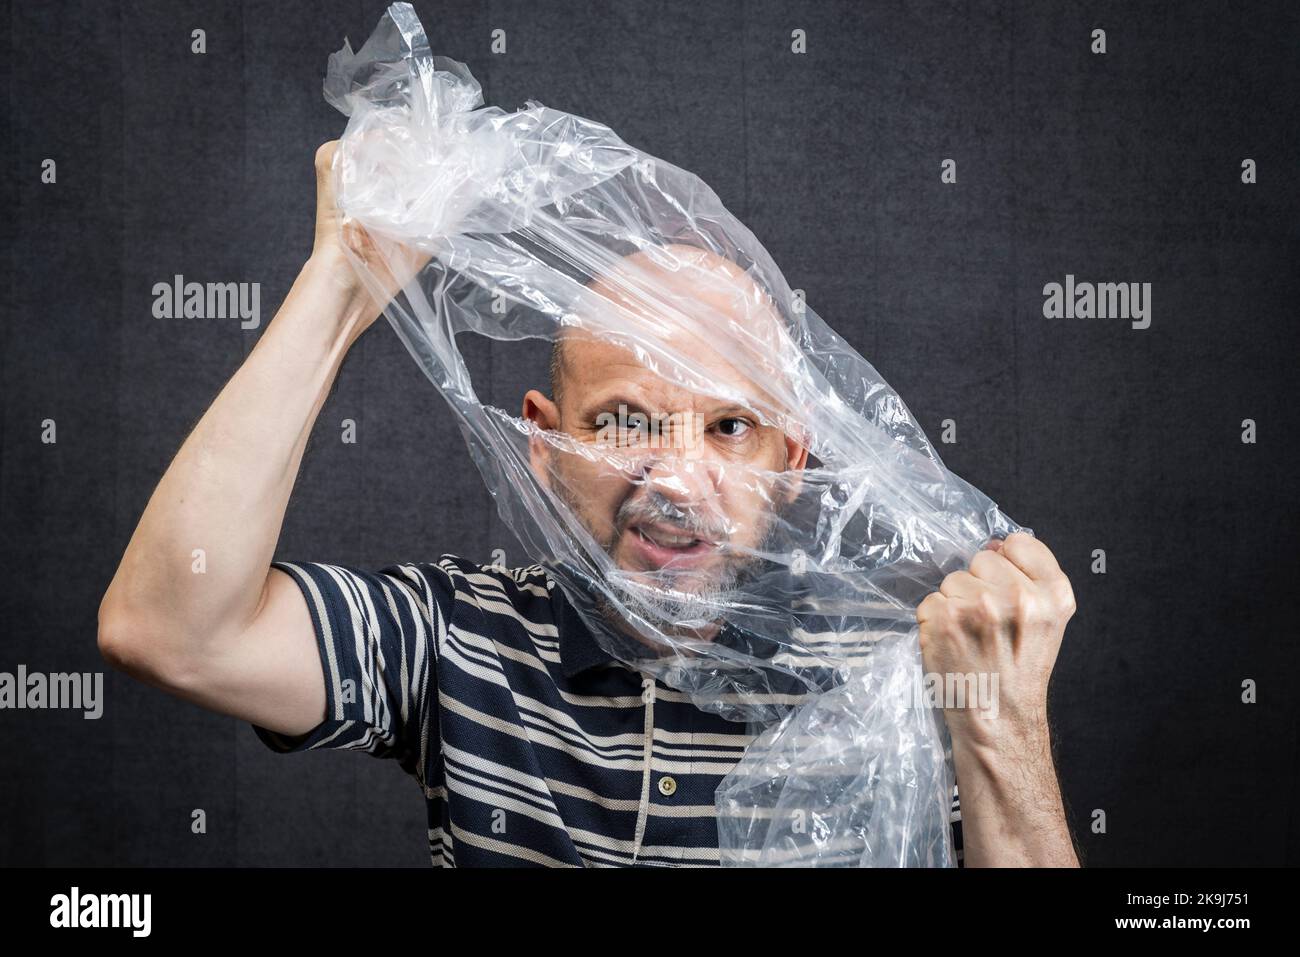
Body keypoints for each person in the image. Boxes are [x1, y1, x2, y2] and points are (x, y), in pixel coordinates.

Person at [98, 141, 1081, 867]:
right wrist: (341, 283)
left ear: (793, 459)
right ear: (544, 443)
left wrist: (1001, 725)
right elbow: (169, 629)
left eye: (728, 429)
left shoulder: (907, 671)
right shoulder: (459, 636)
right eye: (623, 422)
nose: (677, 478)